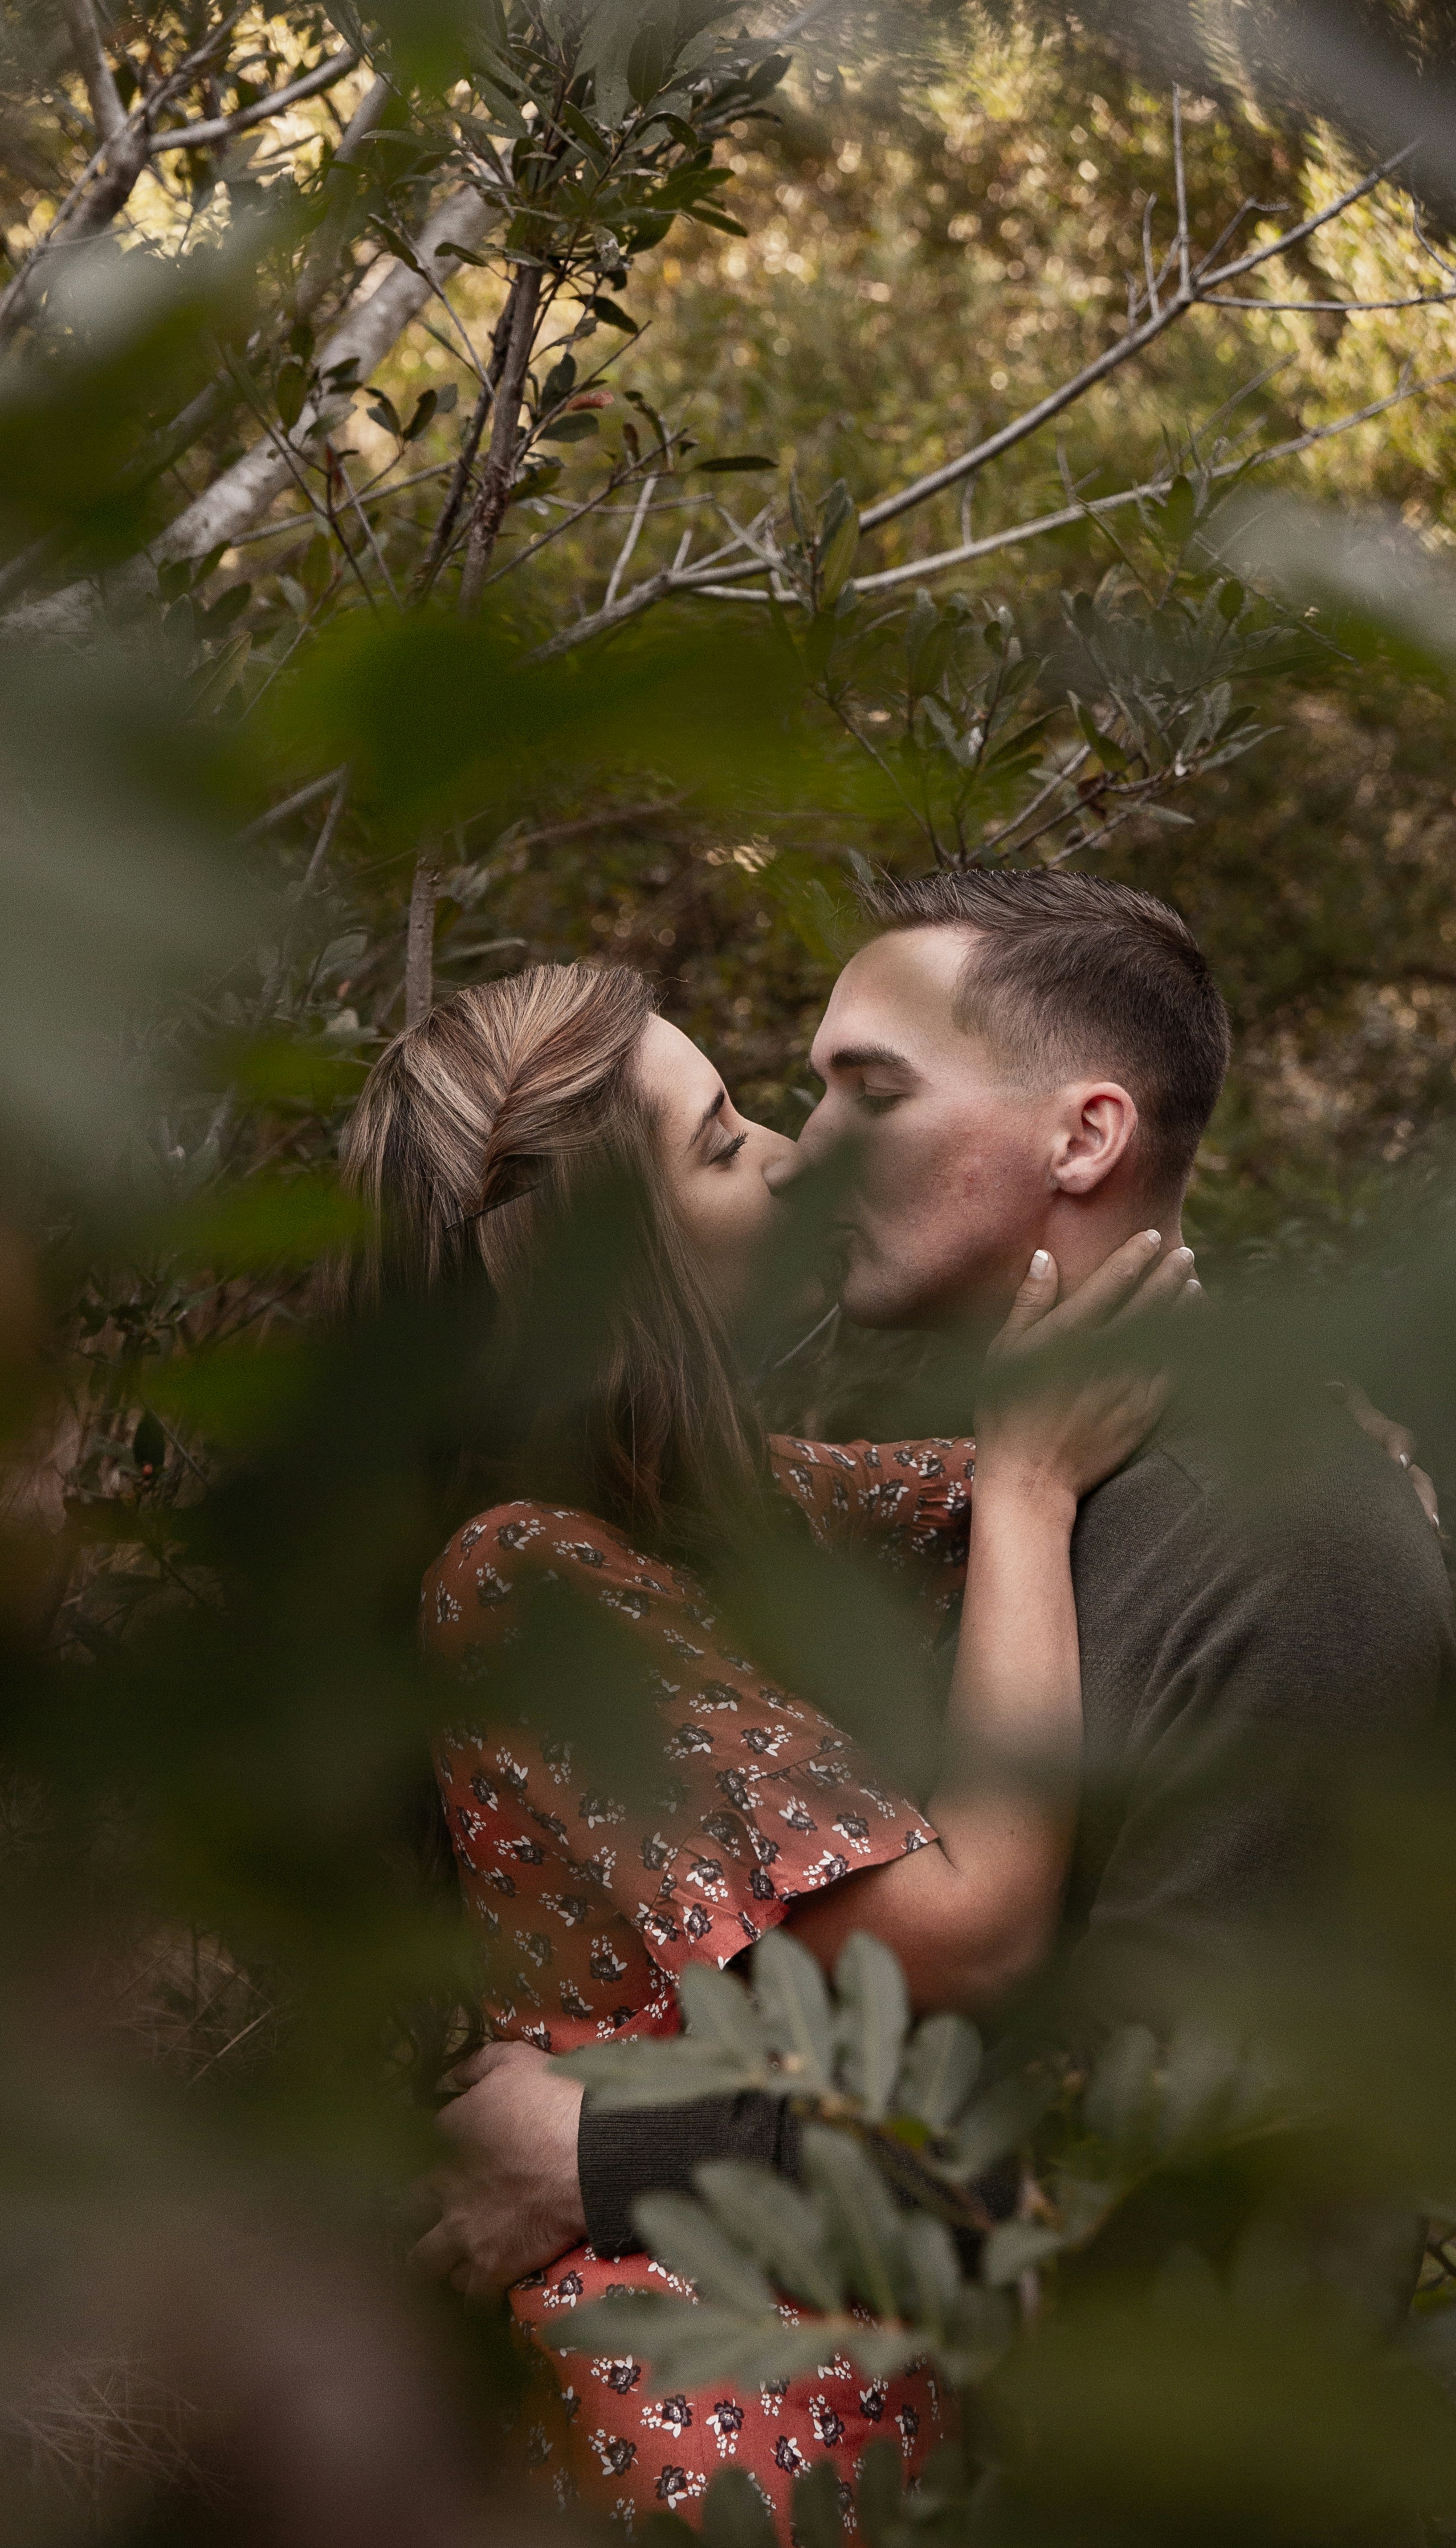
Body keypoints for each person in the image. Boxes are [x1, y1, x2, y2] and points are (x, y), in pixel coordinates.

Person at [427, 868, 1456, 2288]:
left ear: (1086, 1136)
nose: (812, 1153)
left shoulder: (1288, 1548)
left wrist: (615, 2155)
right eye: (786, 1107)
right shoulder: (974, 1505)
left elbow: (1160, 2144)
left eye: (876, 1092)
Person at [344, 956, 1194, 2524]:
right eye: (731, 1146)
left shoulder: (726, 1502)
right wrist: (1023, 1495)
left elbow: (1061, 1443)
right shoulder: (529, 1580)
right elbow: (972, 1938)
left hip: (835, 2390)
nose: (801, 1162)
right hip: (712, 2433)